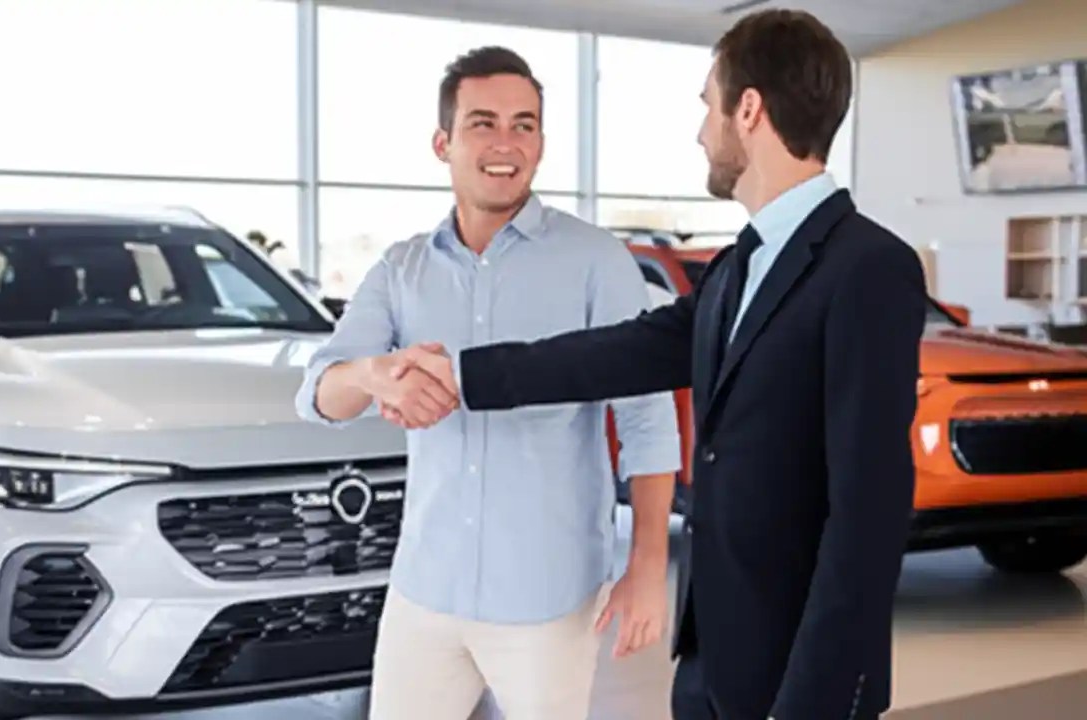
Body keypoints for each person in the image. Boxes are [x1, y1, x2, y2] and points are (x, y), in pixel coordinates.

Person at [384, 10, 925, 720]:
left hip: (800, 676)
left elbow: (868, 518)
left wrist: (814, 703)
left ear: (749, 110)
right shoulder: (738, 268)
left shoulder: (869, 268)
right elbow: (613, 354)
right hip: (713, 661)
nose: (702, 129)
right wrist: (463, 376)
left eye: (709, 105)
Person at [293, 46, 682, 720]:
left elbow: (648, 421)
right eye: (483, 123)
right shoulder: (401, 269)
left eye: (524, 124)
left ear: (541, 142)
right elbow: (319, 395)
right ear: (443, 142)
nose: (506, 143)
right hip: (424, 590)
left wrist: (647, 569)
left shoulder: (597, 262)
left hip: (548, 599)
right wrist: (374, 374)